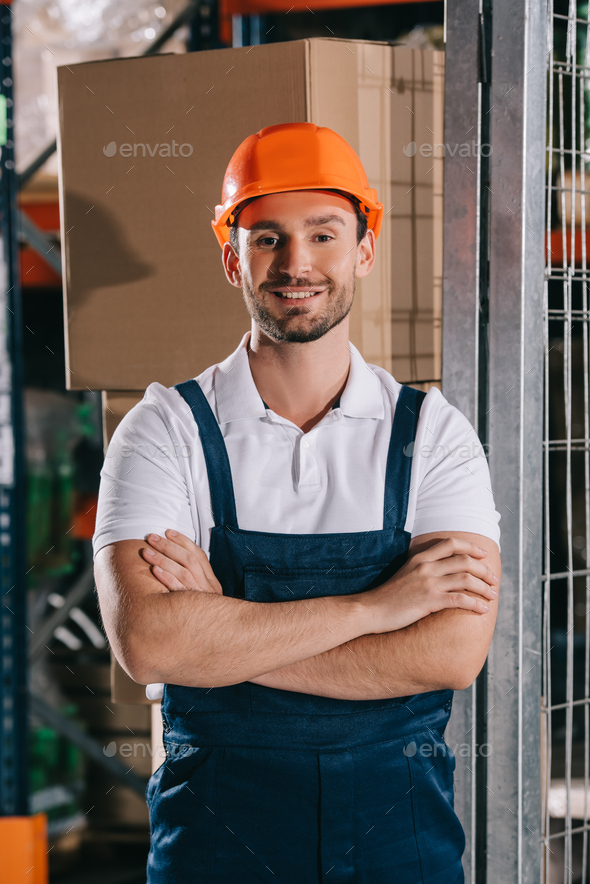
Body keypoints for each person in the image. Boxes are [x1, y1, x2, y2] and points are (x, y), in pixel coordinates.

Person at [93, 122, 501, 884]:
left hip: (399, 839)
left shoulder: (434, 435)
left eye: (324, 234)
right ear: (231, 259)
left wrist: (225, 636)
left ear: (364, 251)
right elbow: (151, 644)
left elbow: (450, 651)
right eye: (268, 239)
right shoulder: (166, 431)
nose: (297, 263)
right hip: (217, 840)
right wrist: (377, 608)